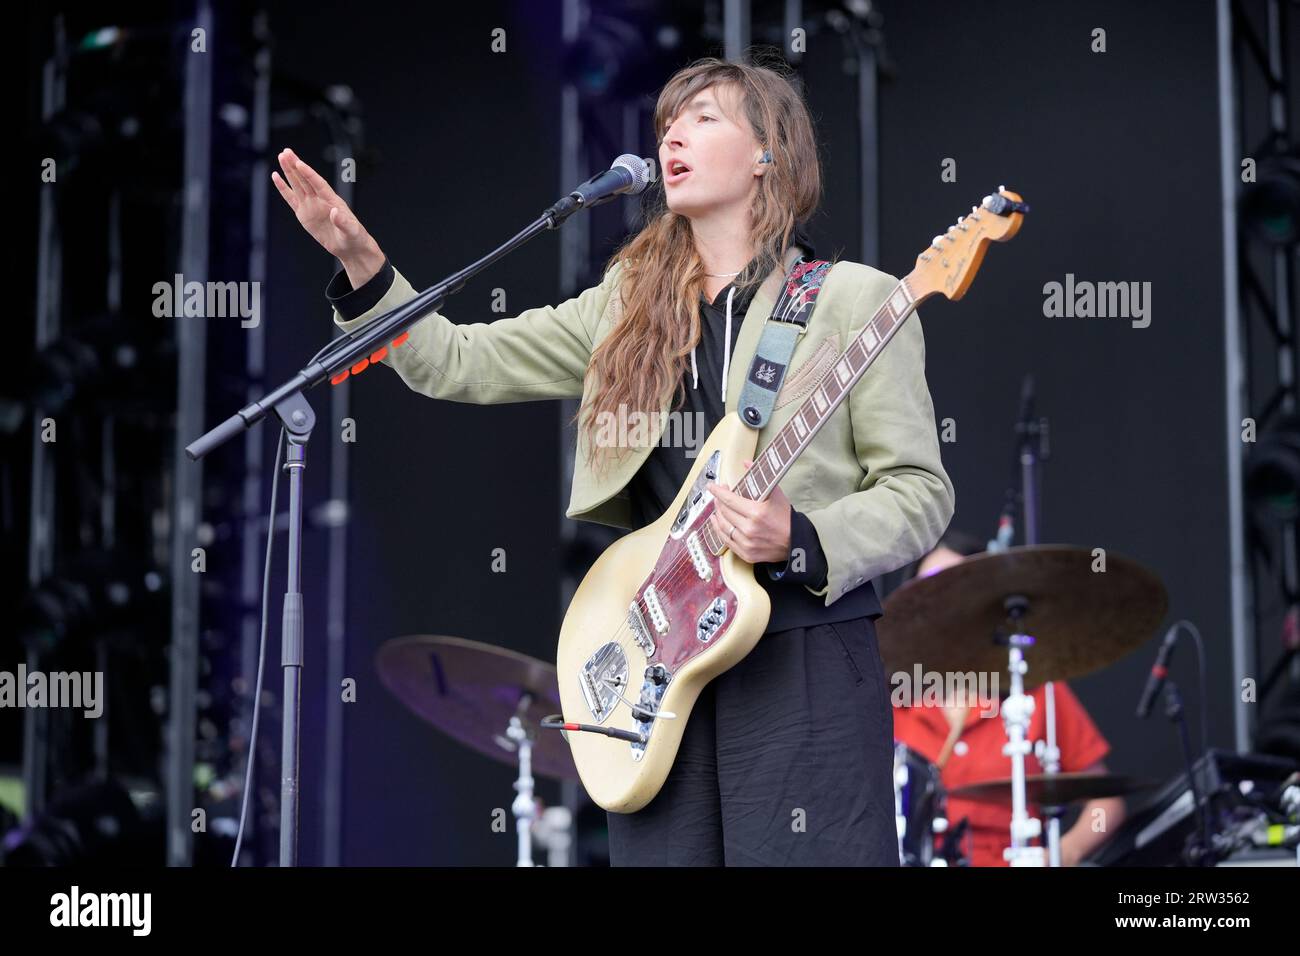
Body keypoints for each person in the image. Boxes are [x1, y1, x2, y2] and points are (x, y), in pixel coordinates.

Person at [274, 55, 954, 866]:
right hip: (657, 661)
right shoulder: (628, 304)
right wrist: (363, 264)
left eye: (705, 117)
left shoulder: (855, 300)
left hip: (799, 650)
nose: (674, 133)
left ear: (770, 152)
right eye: (669, 120)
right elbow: (457, 360)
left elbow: (919, 491)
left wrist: (801, 535)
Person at [891, 531, 1127, 866]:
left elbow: (1107, 802)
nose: (946, 600)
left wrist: (1063, 854)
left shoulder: (1035, 691)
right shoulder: (888, 701)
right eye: (931, 586)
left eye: (961, 586)